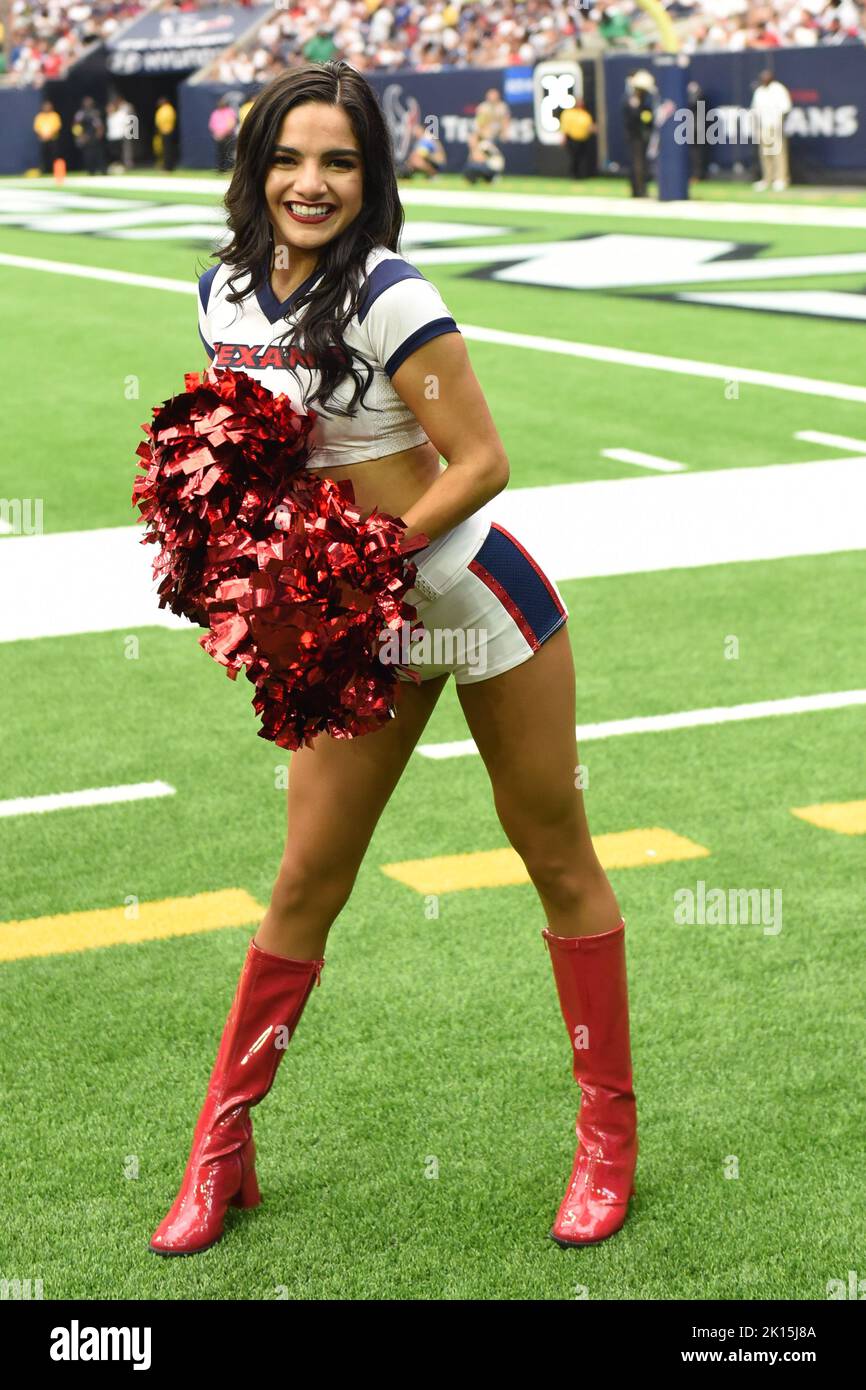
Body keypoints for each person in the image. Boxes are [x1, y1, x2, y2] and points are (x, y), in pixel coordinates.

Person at [148, 59, 638, 1258]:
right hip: (352, 622)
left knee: (554, 854)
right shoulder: (221, 291)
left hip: (471, 598)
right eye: (289, 158)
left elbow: (479, 461)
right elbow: (247, 448)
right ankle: (222, 1147)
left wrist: (364, 554)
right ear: (255, 164)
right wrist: (235, 548)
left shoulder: (388, 293)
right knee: (306, 879)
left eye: (338, 163)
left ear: (369, 179)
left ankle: (607, 1139)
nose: (309, 184)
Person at [751, 68, 792, 191]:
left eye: (766, 76)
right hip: (763, 126)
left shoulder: (778, 89)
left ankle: (781, 179)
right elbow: (755, 110)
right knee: (765, 154)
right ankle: (767, 179)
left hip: (775, 125)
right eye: (762, 77)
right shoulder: (759, 91)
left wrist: (778, 123)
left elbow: (786, 107)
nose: (764, 79)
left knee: (779, 153)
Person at [623, 70, 655, 198]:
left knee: (640, 163)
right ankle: (639, 190)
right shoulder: (631, 100)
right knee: (638, 163)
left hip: (639, 136)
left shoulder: (641, 102)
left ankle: (639, 189)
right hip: (635, 136)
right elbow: (633, 117)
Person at [558, 98, 596, 181]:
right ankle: (573, 175)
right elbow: (565, 127)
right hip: (572, 139)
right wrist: (563, 138)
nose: (580, 104)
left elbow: (590, 126)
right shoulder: (568, 113)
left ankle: (581, 175)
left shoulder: (585, 114)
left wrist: (593, 129)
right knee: (574, 158)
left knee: (581, 158)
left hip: (583, 139)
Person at [209, 95, 238, 172]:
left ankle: (229, 169)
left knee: (229, 153)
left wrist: (223, 133)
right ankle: (220, 169)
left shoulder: (229, 111)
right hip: (218, 136)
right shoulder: (215, 112)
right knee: (220, 153)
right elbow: (212, 124)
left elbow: (231, 124)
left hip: (228, 136)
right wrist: (216, 133)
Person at [33, 99, 62, 175]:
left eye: (48, 106)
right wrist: (42, 136)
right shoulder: (40, 116)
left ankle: (55, 171)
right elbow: (36, 127)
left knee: (54, 156)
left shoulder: (54, 115)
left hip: (53, 139)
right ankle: (44, 171)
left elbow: (57, 126)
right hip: (43, 139)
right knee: (44, 156)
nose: (47, 107)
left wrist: (49, 135)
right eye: (45, 106)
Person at [155, 96, 178, 172]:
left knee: (168, 150)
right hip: (163, 131)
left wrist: (165, 127)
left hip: (167, 131)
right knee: (164, 150)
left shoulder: (168, 109)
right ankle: (166, 166)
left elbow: (167, 120)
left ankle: (168, 167)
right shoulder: (163, 109)